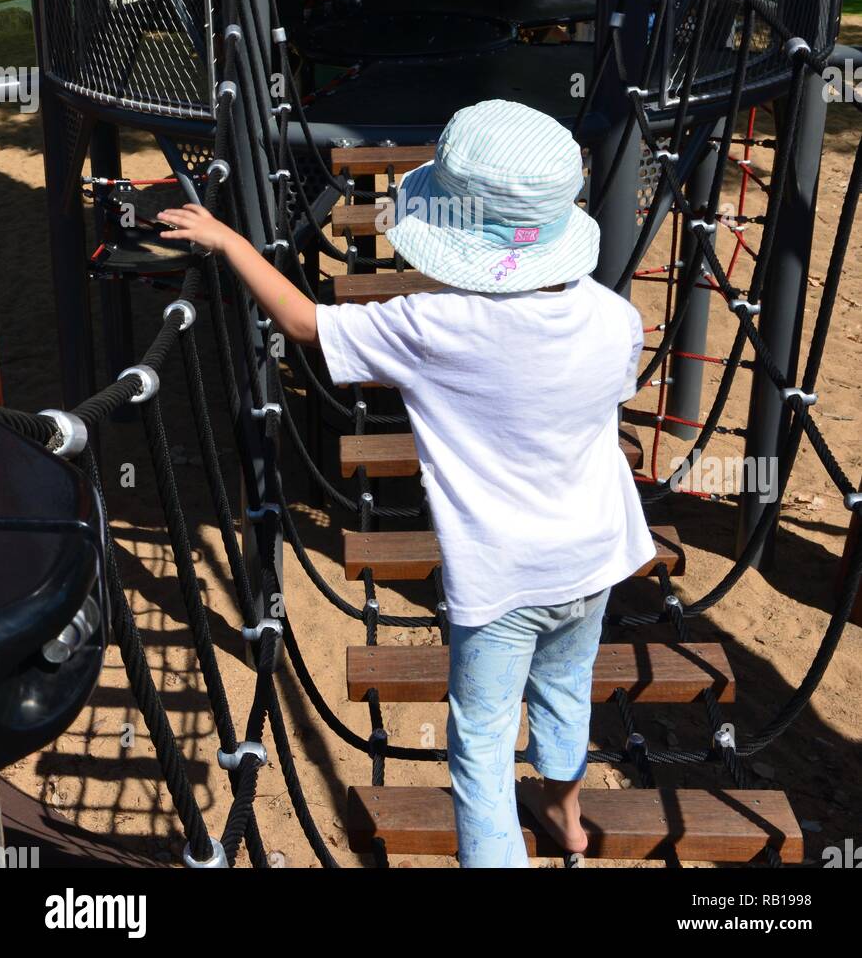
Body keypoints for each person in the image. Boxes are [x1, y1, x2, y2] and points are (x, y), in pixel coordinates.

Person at [159, 98, 655, 869]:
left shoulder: (430, 326)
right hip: (594, 556)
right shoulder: (612, 316)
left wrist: (226, 241)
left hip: (500, 579)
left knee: (481, 747)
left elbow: (304, 324)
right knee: (566, 688)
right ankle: (567, 816)